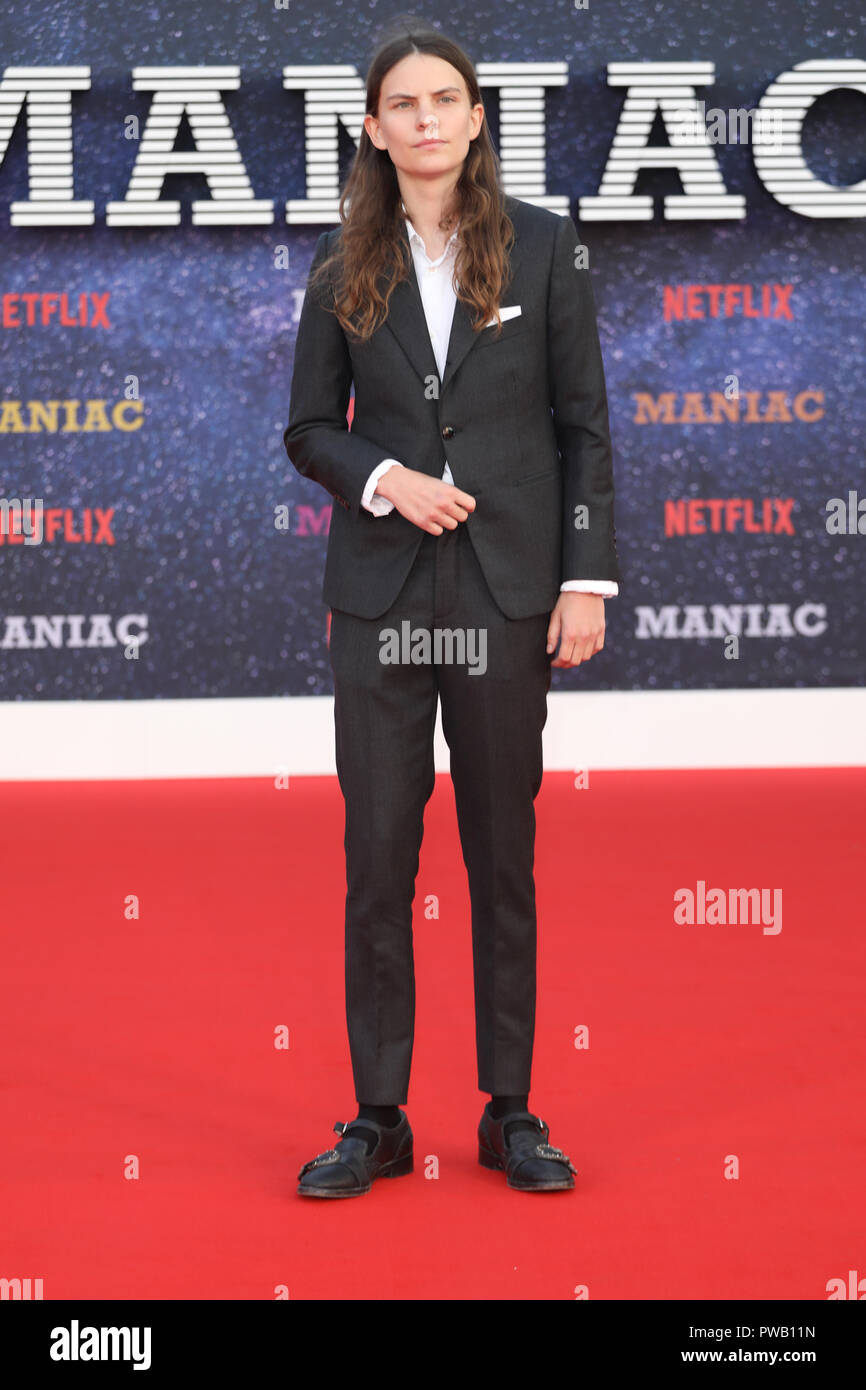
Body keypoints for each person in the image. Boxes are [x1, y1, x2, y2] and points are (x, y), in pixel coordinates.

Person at [284, 19, 621, 1198]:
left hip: (505, 594)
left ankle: (510, 1109)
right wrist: (384, 478)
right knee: (377, 857)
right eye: (402, 104)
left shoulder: (544, 248)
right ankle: (377, 1117)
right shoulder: (340, 264)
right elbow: (307, 429)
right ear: (373, 129)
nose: (426, 118)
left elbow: (580, 424)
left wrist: (584, 580)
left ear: (475, 116)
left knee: (500, 855)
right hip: (378, 597)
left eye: (445, 99)